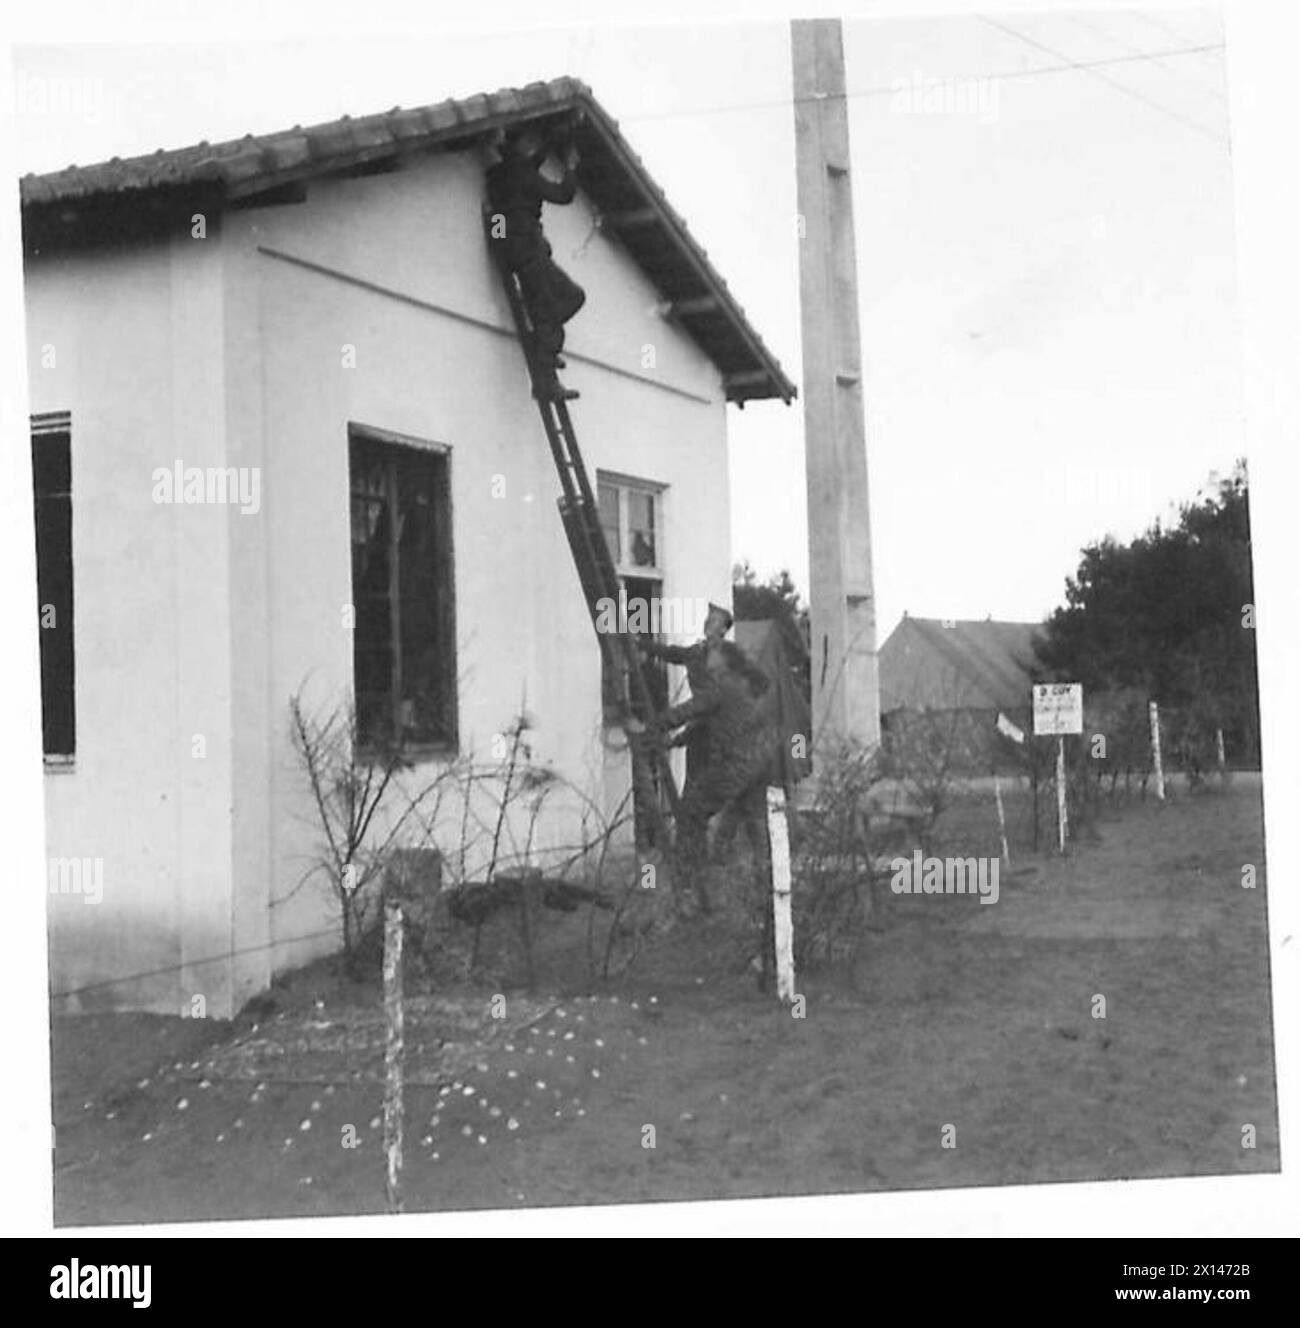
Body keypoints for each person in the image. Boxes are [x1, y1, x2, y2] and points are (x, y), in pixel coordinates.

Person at [652, 638, 778, 916]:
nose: (708, 653)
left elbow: (691, 711)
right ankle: (769, 895)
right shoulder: (742, 685)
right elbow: (703, 723)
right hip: (760, 764)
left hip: (738, 763)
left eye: (713, 651)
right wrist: (676, 741)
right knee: (758, 831)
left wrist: (652, 725)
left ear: (723, 660)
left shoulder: (722, 686)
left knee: (690, 814)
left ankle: (690, 892)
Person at [485, 128, 587, 395]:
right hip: (529, 249)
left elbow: (498, 216)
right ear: (523, 146)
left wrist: (500, 244)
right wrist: (571, 167)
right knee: (570, 297)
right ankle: (546, 367)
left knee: (544, 309)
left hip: (514, 250)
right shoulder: (523, 174)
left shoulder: (499, 175)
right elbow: (564, 194)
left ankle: (547, 369)